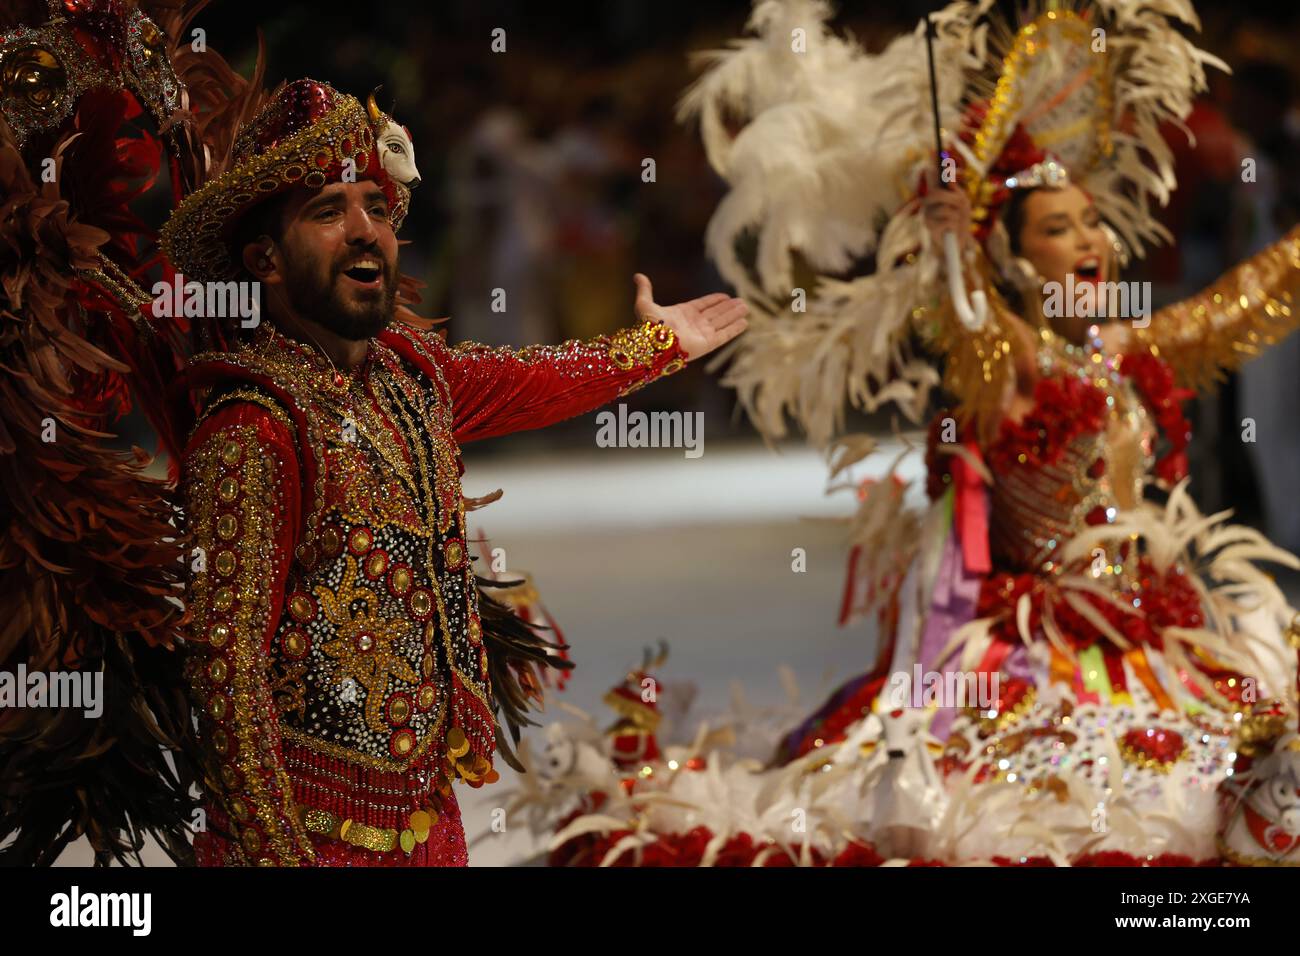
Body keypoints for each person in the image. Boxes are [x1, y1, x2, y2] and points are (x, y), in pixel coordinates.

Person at [541, 0, 1300, 866]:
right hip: (1032, 653)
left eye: (1092, 221)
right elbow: (969, 321)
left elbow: (1231, 309)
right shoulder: (1009, 361)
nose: (1090, 240)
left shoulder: (1118, 347)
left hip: (1147, 628)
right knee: (1056, 819)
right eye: (1059, 227)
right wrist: (954, 253)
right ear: (1014, 257)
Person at [155, 78, 748, 867]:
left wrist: (656, 347)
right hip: (308, 843)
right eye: (328, 212)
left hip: (433, 831)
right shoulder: (252, 432)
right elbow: (226, 684)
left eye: (376, 204)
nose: (365, 231)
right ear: (265, 259)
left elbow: (534, 377)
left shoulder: (411, 382)